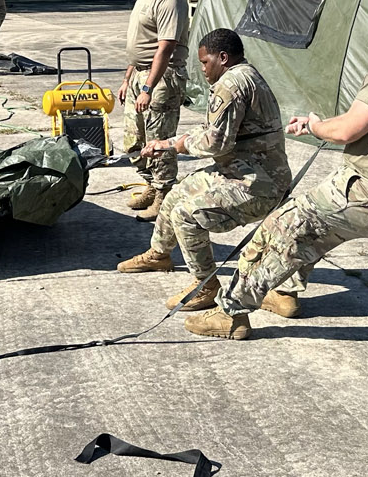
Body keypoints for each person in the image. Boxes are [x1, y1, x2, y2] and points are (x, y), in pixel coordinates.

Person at [185, 0, 368, 340]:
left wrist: (315, 125)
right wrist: (321, 125)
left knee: (281, 228)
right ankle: (283, 292)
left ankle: (231, 312)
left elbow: (348, 130)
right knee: (309, 231)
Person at [116, 28, 290, 311]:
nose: (202, 69)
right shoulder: (244, 74)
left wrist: (175, 145)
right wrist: (168, 142)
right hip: (244, 170)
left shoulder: (231, 84)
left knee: (186, 215)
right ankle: (159, 254)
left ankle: (205, 285)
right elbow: (215, 130)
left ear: (222, 57)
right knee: (176, 194)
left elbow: (215, 142)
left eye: (205, 62)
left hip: (258, 185)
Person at [117, 0, 188, 220]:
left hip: (162, 78)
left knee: (158, 141)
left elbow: (165, 47)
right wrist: (127, 80)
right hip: (139, 75)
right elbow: (140, 45)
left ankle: (163, 195)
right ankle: (149, 183)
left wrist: (148, 87)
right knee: (134, 140)